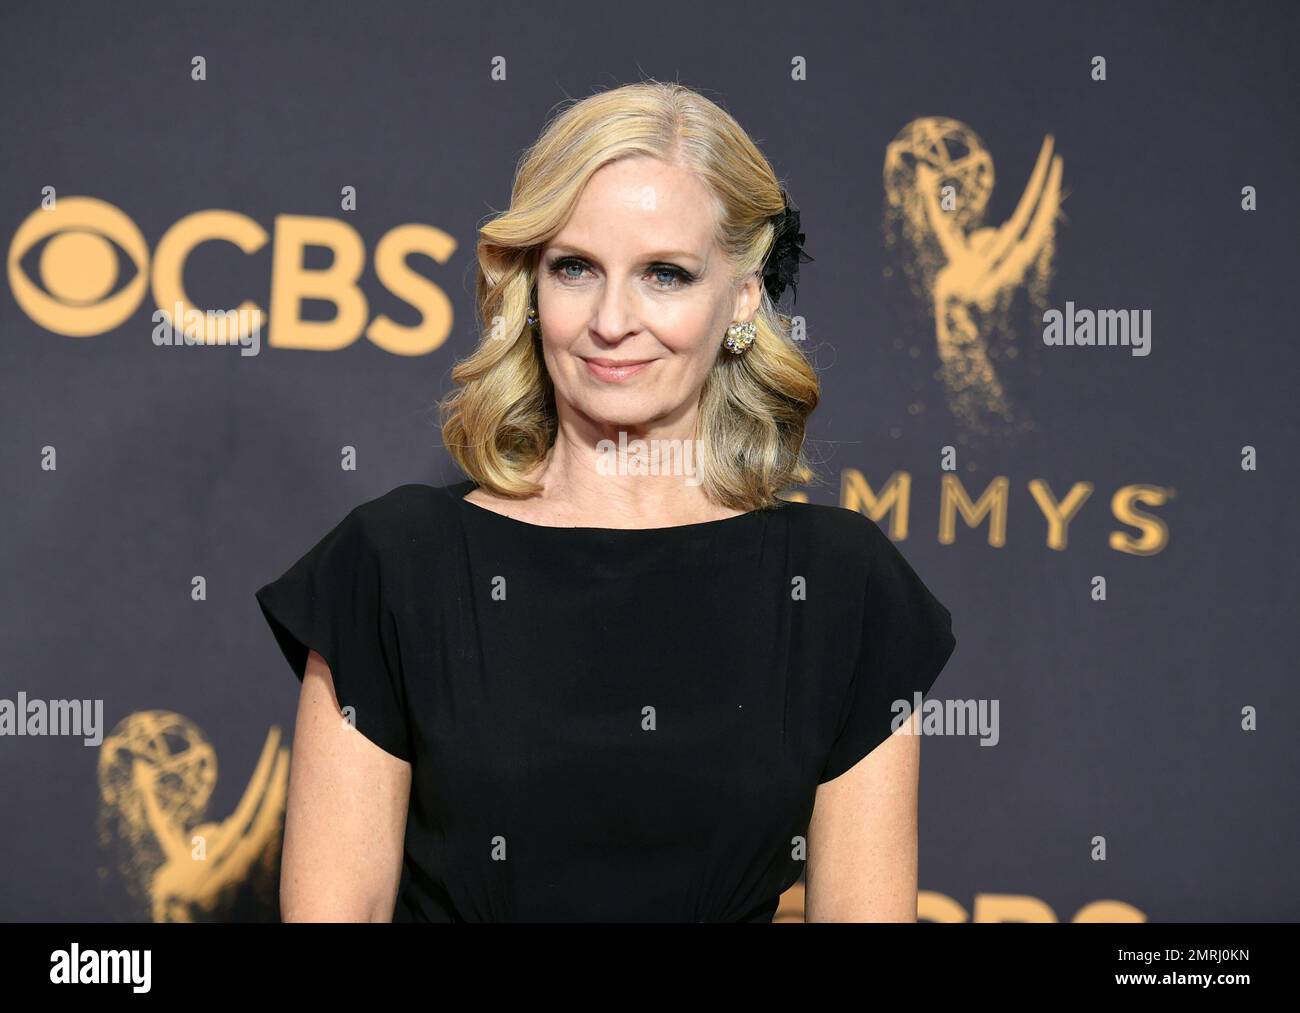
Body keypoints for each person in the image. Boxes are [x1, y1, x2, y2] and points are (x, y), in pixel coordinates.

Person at [255, 80, 955, 922]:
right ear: (530, 284)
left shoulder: (842, 588)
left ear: (740, 298)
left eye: (665, 273)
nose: (612, 319)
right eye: (576, 268)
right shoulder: (397, 564)